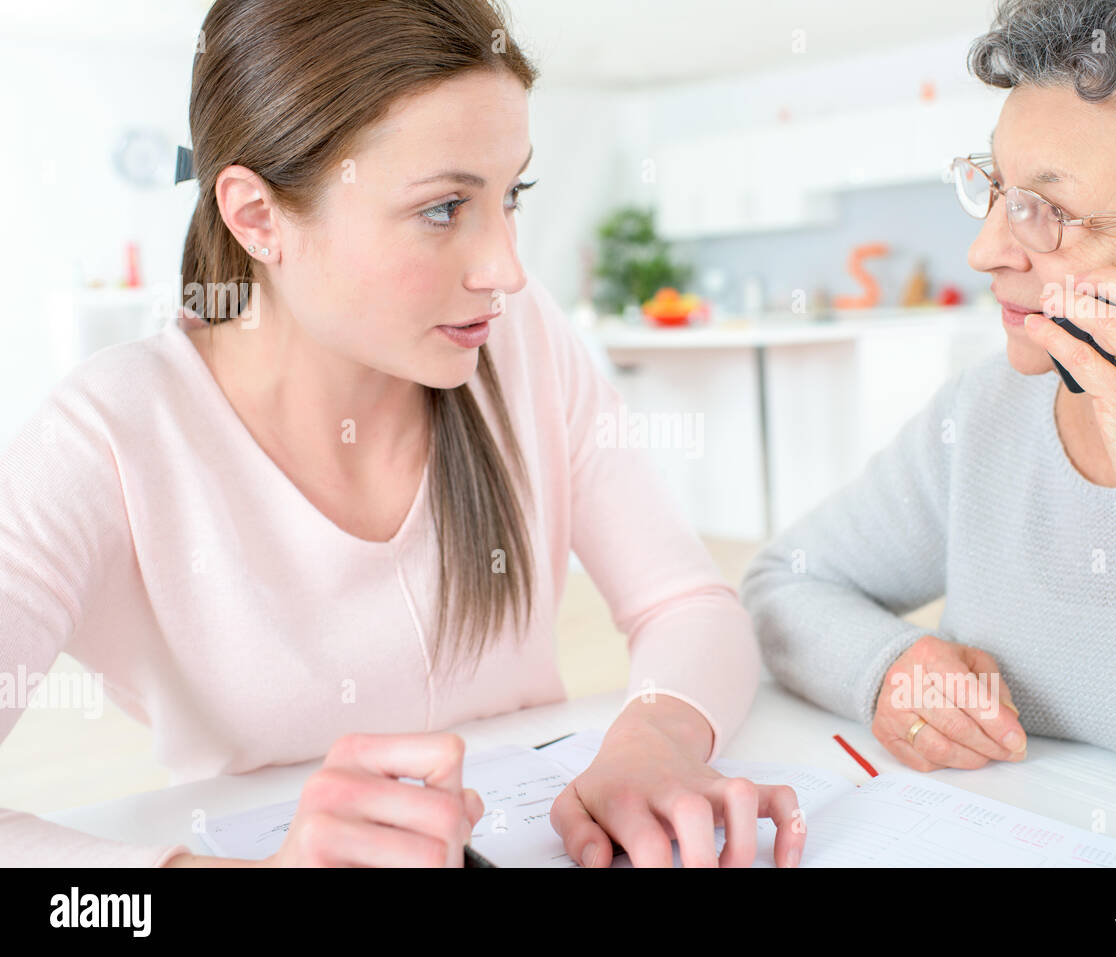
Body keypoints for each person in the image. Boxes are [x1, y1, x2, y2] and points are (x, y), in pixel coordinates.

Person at [0, 0, 805, 868]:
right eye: (443, 207)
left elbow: (686, 602)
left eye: (511, 195)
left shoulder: (521, 342)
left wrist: (658, 732)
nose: (507, 270)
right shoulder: (109, 434)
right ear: (257, 217)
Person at [742, 0, 1116, 809]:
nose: (986, 251)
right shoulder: (986, 412)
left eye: (1053, 210)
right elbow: (786, 583)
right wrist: (888, 666)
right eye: (998, 189)